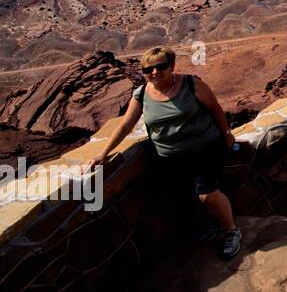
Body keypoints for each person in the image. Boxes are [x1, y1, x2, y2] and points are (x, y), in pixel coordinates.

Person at [88, 46, 241, 259]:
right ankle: (203, 232)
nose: (154, 72)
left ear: (172, 66)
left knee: (207, 195)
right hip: (170, 158)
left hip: (205, 148)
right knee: (181, 198)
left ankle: (231, 231)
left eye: (160, 67)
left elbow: (215, 108)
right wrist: (103, 154)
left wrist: (227, 135)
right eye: (147, 69)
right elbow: (125, 126)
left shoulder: (190, 84)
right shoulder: (141, 95)